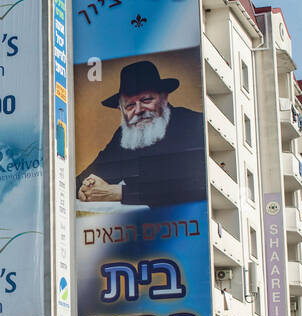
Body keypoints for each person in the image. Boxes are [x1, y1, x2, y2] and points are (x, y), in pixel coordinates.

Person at [76, 59, 206, 206]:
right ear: (121, 110)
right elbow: (86, 179)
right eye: (130, 105)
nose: (138, 110)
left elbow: (195, 184)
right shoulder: (124, 136)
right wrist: (85, 187)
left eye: (146, 100)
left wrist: (120, 193)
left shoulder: (193, 123)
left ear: (164, 97)